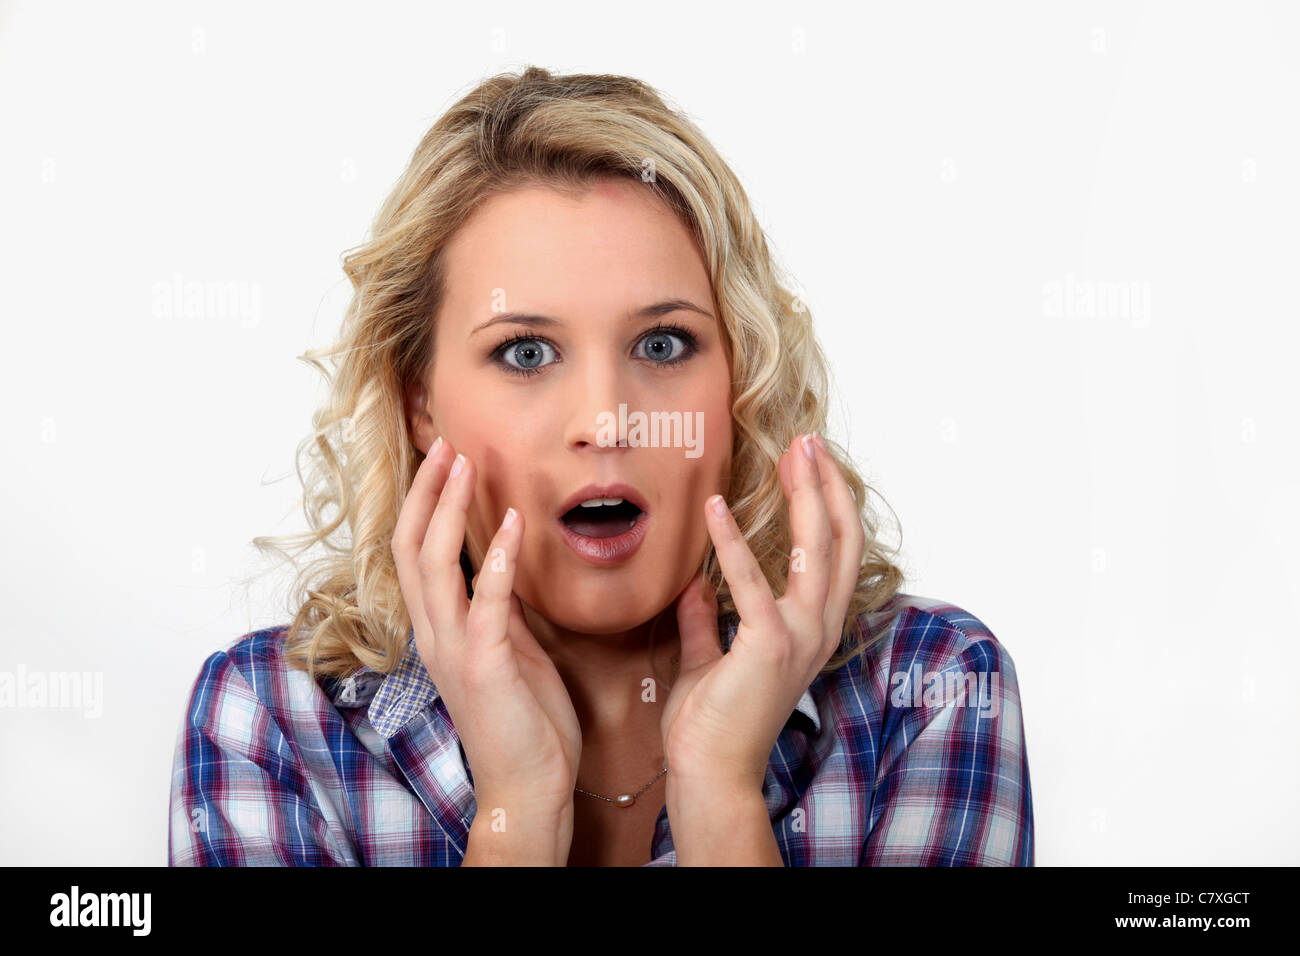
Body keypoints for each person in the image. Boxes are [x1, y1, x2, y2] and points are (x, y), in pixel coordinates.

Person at [167, 66, 1033, 866]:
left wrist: (722, 799)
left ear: (741, 380)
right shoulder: (273, 723)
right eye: (525, 353)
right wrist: (517, 806)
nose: (607, 421)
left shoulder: (931, 689)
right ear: (420, 403)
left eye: (663, 343)